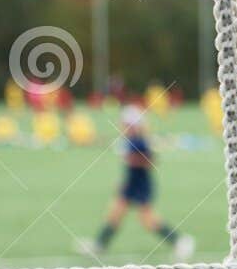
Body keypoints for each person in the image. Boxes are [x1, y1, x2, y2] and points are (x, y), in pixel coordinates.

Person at [77, 107, 194, 260]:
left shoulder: (139, 141)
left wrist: (131, 160)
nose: (122, 126)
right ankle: (99, 245)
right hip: (131, 185)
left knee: (148, 220)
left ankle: (180, 241)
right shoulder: (130, 140)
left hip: (141, 185)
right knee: (114, 214)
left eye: (125, 124)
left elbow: (150, 161)